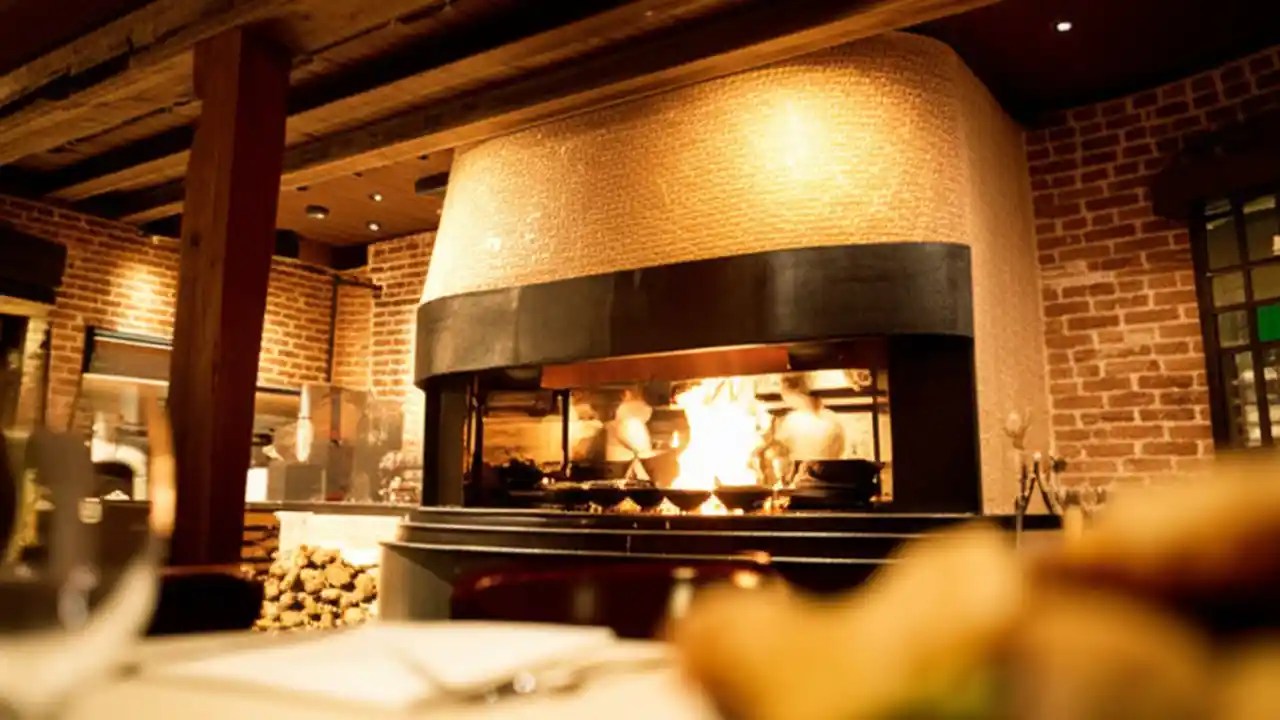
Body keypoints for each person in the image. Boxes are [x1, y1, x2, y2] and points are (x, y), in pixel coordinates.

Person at [775, 374, 845, 461]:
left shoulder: (791, 422)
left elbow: (780, 451)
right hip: (823, 469)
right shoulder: (831, 418)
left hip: (811, 469)